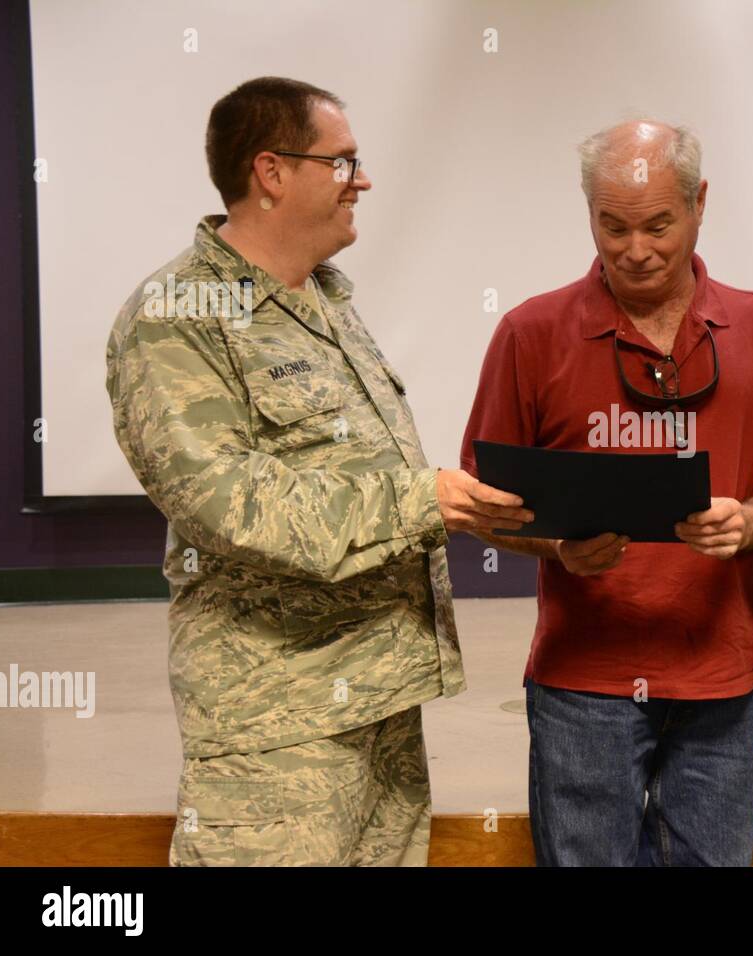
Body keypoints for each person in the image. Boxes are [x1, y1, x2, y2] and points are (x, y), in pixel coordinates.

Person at [105, 77, 530, 866]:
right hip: (277, 736)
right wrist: (422, 498)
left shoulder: (325, 301)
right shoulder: (177, 316)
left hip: (382, 710)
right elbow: (226, 503)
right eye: (342, 162)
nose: (361, 180)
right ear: (271, 172)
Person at [458, 119, 753, 866]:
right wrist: (556, 546)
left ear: (699, 204)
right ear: (587, 210)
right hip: (582, 683)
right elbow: (482, 502)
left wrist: (748, 522)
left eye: (658, 224)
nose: (635, 249)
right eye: (611, 226)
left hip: (718, 679)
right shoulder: (531, 332)